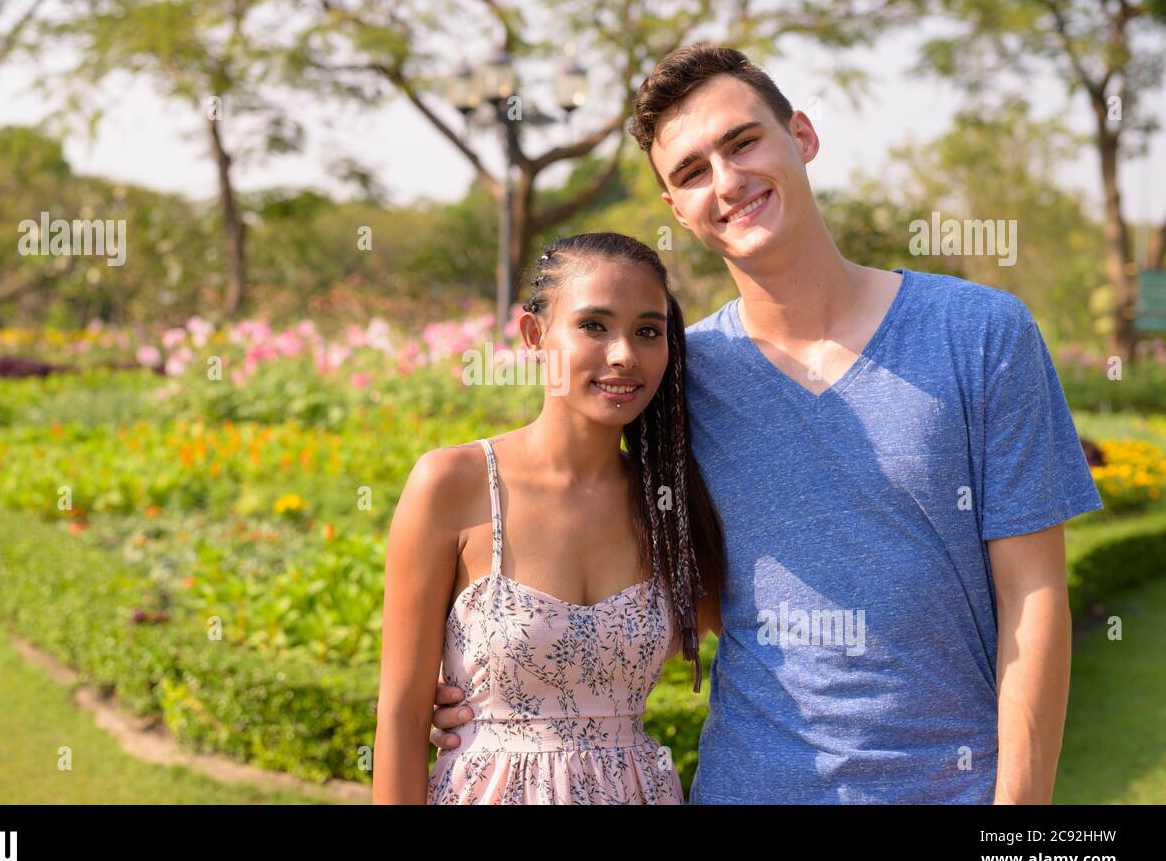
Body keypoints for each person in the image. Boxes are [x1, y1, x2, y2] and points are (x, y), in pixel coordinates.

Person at [429, 43, 1104, 804]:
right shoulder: (676, 375)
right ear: (676, 211)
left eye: (743, 141)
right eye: (690, 172)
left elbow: (1035, 593)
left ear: (802, 137)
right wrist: (472, 683)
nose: (727, 180)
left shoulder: (980, 333)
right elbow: (577, 509)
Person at [372, 231, 725, 804]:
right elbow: (401, 716)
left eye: (648, 331)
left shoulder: (671, 506)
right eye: (594, 325)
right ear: (535, 335)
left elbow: (762, 640)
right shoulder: (452, 484)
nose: (623, 355)